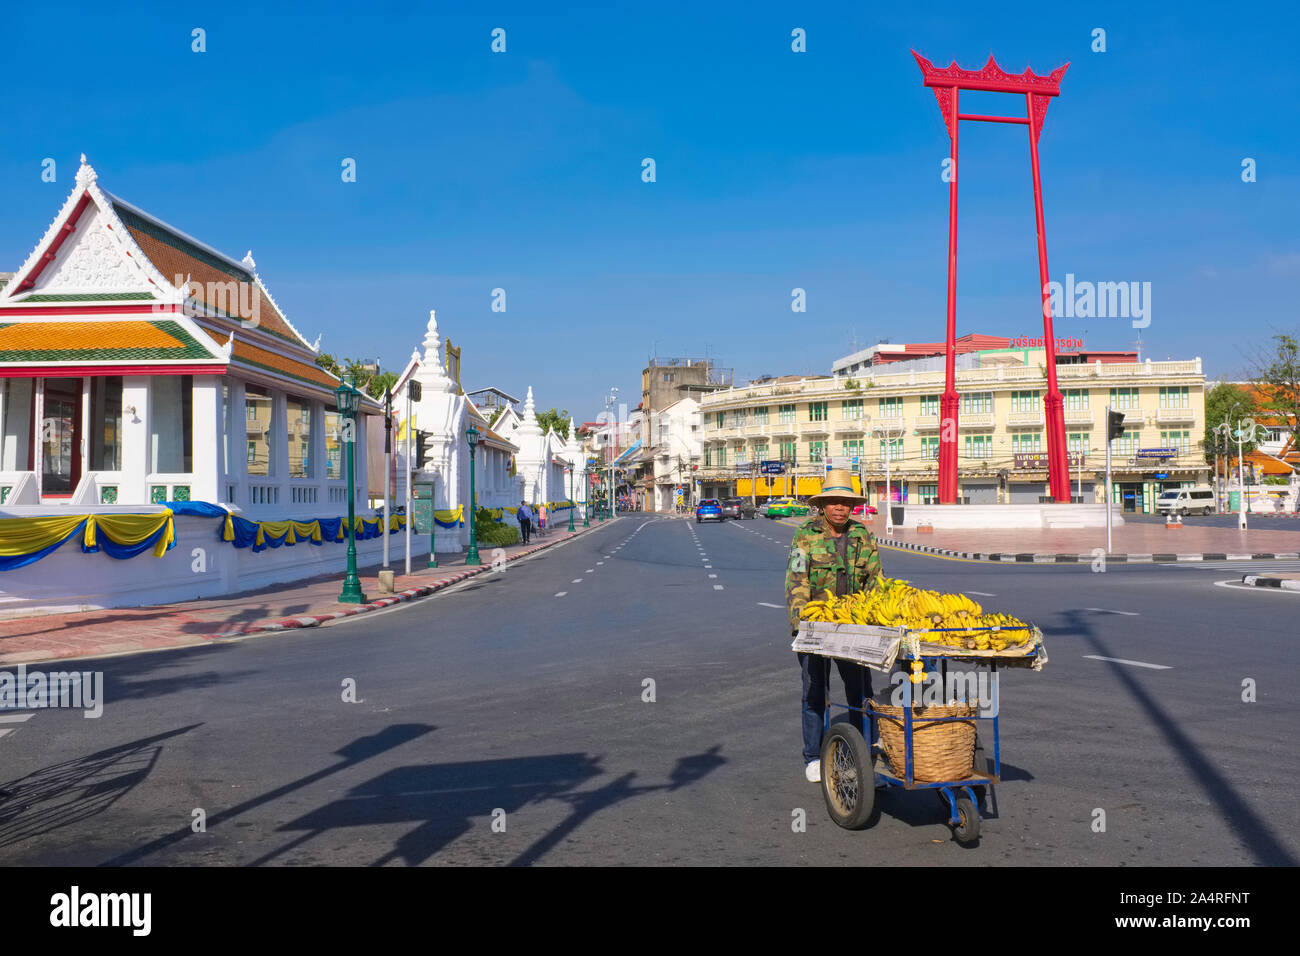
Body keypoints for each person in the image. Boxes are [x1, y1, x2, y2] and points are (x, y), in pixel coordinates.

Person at [784, 469, 883, 783]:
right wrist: (800, 626)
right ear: (822, 505)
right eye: (833, 502)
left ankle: (864, 752)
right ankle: (813, 756)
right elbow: (796, 578)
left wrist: (876, 617)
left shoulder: (862, 534)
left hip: (853, 625)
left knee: (861, 691)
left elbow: (875, 580)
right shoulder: (805, 535)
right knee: (815, 691)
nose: (840, 507)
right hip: (816, 626)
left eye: (845, 502)